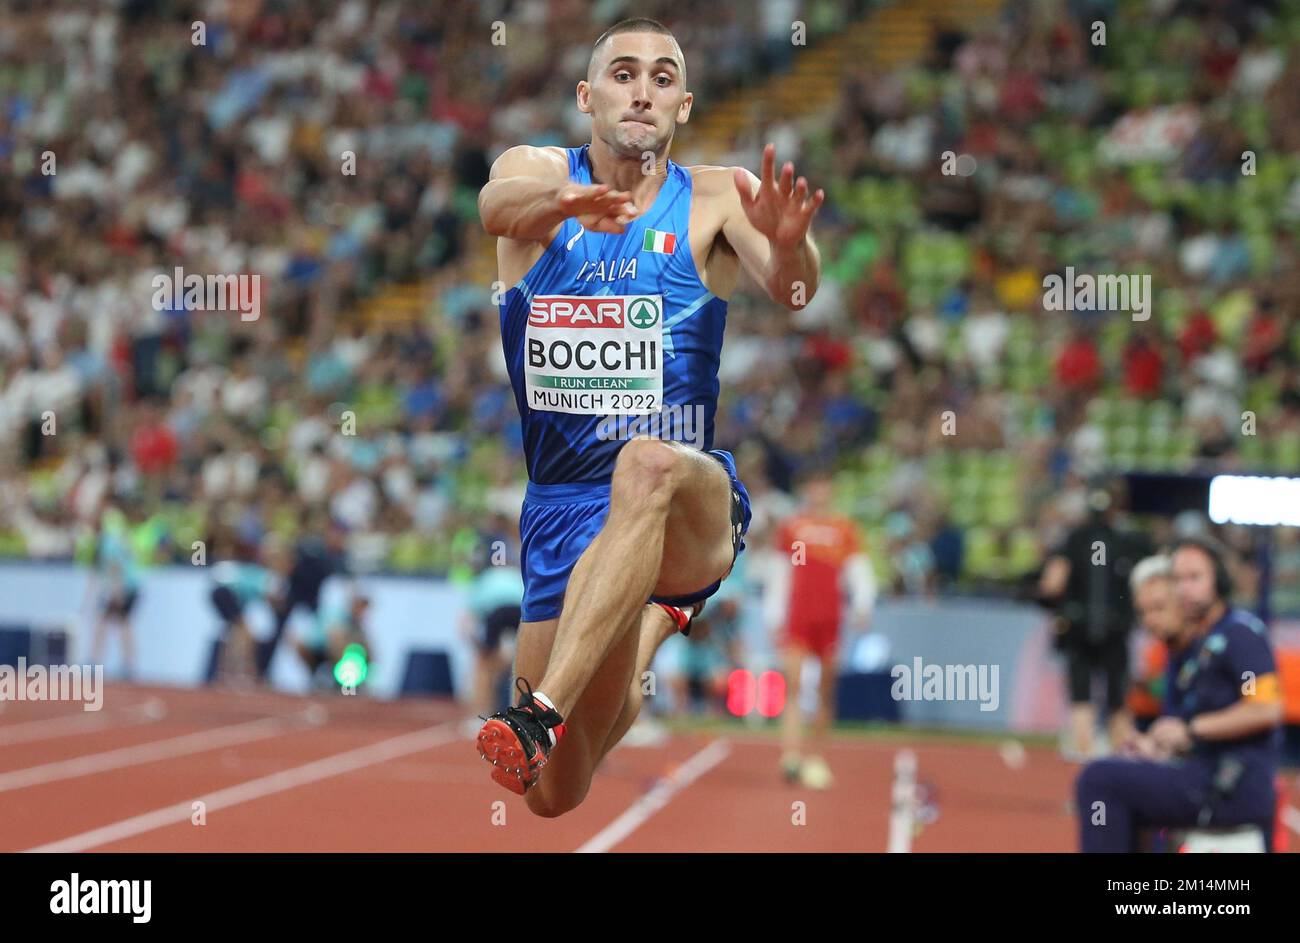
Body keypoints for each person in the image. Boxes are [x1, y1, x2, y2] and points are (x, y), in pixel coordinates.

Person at [475, 16, 824, 814]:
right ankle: (645, 633)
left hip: (686, 499)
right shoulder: (534, 170)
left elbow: (795, 291)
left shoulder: (714, 197)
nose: (642, 89)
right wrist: (563, 202)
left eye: (662, 78)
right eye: (624, 73)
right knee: (551, 795)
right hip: (563, 508)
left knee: (647, 460)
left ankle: (537, 712)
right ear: (586, 95)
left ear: (685, 105)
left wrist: (794, 246)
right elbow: (497, 207)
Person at [1075, 538, 1285, 852]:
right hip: (1202, 775)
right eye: (1177, 580)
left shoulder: (1238, 635)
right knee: (1119, 774)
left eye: (1195, 578)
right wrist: (1154, 746)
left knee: (1099, 780)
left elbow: (1264, 708)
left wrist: (1189, 730)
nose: (1184, 588)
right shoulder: (1195, 648)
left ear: (1219, 580)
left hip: (1231, 785)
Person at [766, 468, 875, 789]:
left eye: (824, 485)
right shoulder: (792, 527)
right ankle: (791, 756)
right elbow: (779, 573)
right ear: (807, 488)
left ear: (831, 489)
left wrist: (863, 604)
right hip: (799, 616)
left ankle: (817, 757)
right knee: (794, 685)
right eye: (814, 485)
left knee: (826, 691)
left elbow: (859, 570)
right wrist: (774, 617)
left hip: (830, 617)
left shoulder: (844, 529)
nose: (819, 491)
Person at [1038, 480, 1152, 759]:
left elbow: (1052, 584)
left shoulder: (1074, 539)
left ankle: (1083, 750)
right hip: (1116, 627)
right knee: (1117, 696)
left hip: (1078, 627)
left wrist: (1056, 608)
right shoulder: (1128, 541)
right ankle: (1123, 756)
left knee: (1081, 691)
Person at [294, 590, 374, 692]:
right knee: (340, 642)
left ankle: (349, 685)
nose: (362, 612)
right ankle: (332, 682)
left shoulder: (359, 628)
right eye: (360, 607)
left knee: (361, 648)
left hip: (338, 657)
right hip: (322, 651)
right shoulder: (339, 616)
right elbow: (331, 637)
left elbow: (368, 652)